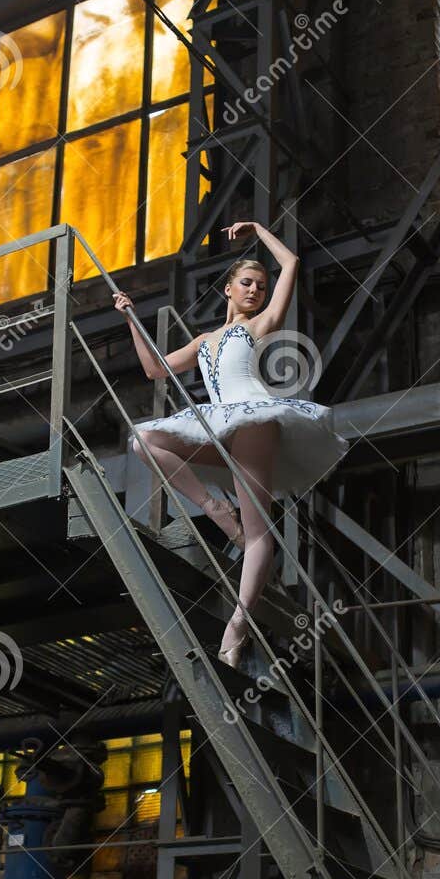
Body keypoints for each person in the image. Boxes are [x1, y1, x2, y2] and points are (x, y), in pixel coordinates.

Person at [113, 220, 348, 668]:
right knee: (143, 439)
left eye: (261, 285)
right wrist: (129, 319)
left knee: (260, 533)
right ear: (228, 289)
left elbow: (292, 262)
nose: (255, 291)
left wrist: (259, 229)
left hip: (256, 419)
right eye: (247, 283)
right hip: (218, 423)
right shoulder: (204, 341)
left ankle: (237, 626)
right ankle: (216, 509)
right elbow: (154, 370)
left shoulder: (261, 325)